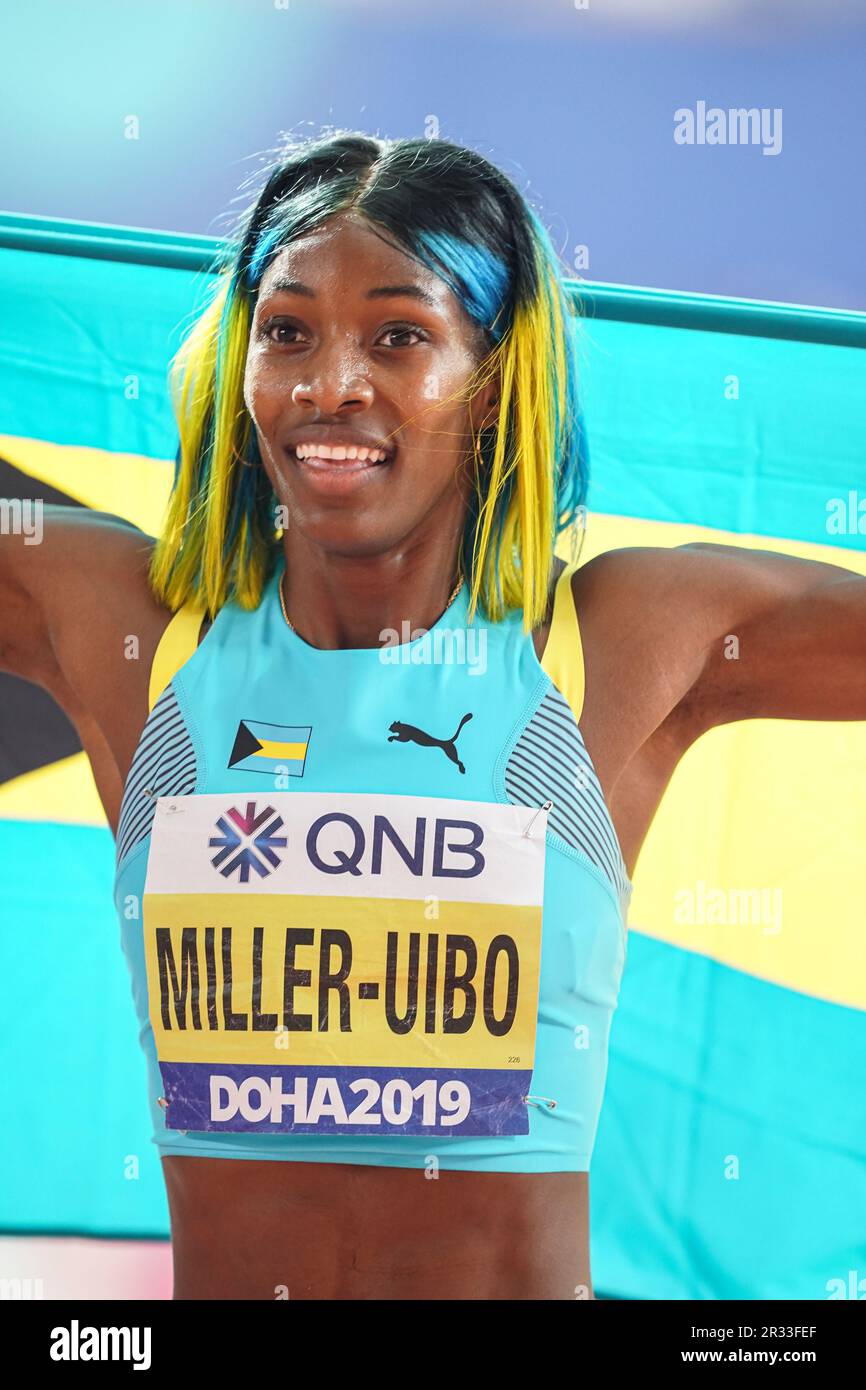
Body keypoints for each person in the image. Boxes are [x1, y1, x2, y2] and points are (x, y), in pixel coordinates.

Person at [2, 133, 864, 1302]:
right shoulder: (138, 637)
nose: (328, 385)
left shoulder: (621, 642)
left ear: (495, 376)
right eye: (286, 330)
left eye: (399, 335)